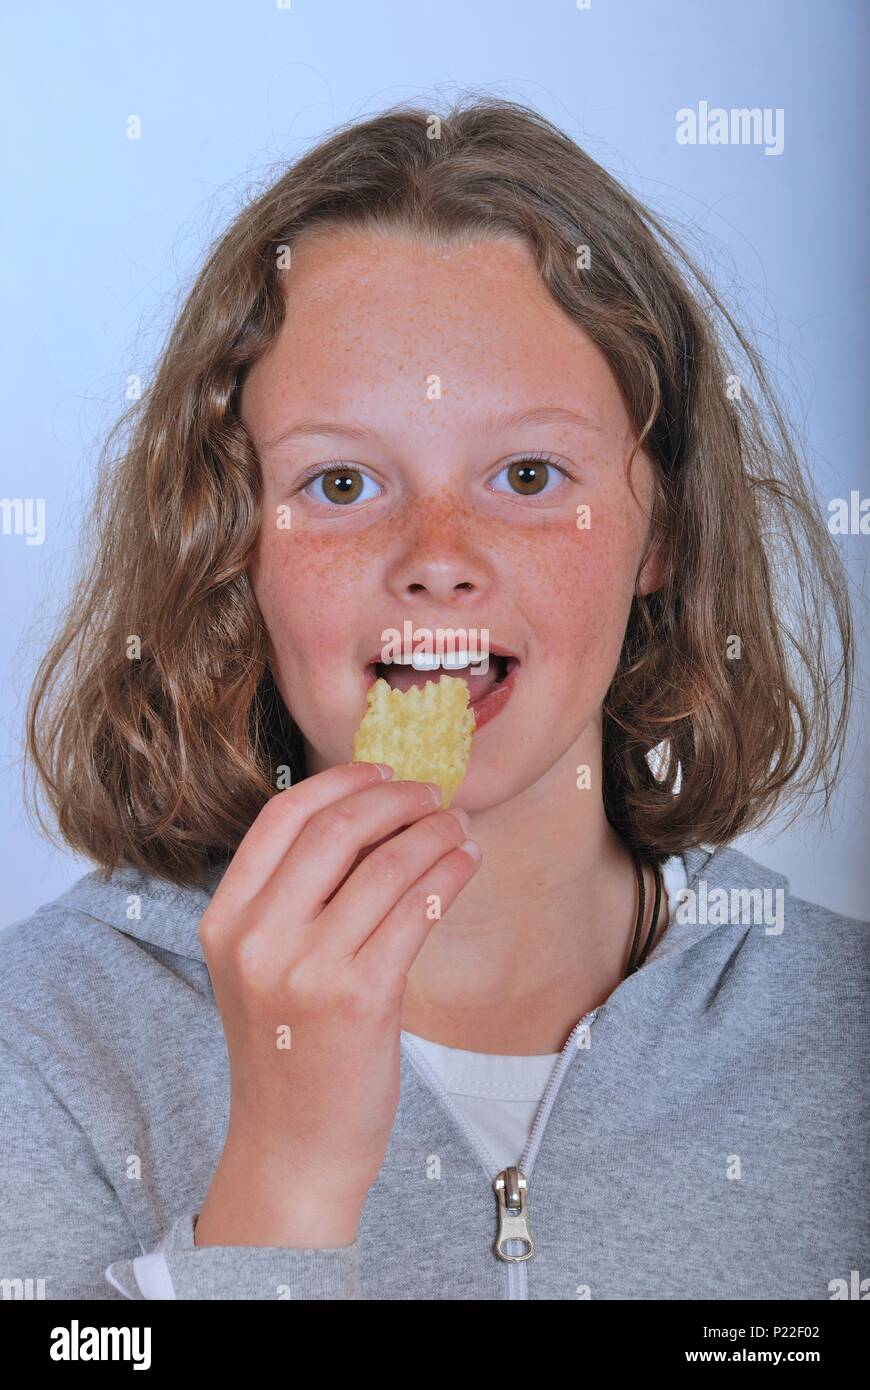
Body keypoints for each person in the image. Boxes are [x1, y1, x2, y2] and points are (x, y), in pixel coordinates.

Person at [2, 98, 866, 1301]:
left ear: (659, 530)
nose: (438, 552)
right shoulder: (40, 1043)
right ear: (229, 540)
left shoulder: (844, 1038)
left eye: (527, 473)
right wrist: (285, 1182)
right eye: (343, 478)